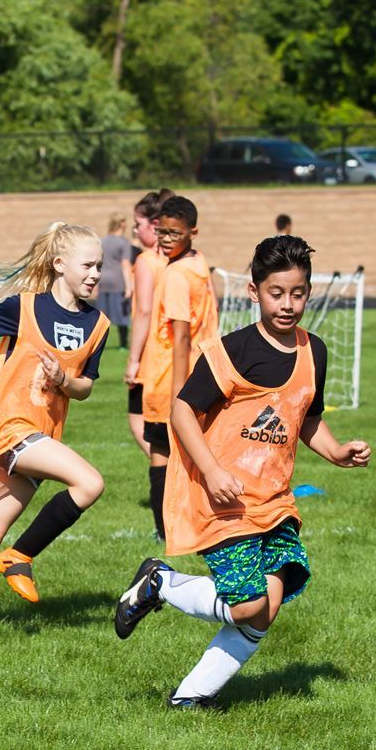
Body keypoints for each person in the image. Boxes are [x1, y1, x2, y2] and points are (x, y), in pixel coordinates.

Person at [115, 235, 371, 708]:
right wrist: (211, 472)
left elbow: (305, 415)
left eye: (298, 293)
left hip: (273, 502)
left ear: (308, 292)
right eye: (276, 293)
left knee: (265, 609)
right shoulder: (230, 351)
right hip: (222, 498)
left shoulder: (313, 351)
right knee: (248, 604)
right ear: (254, 292)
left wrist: (335, 451)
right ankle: (160, 584)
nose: (288, 304)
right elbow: (182, 411)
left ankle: (189, 698)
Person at [0, 222, 110, 603]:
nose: (95, 274)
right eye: (88, 266)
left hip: (41, 434)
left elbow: (84, 388)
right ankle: (19, 557)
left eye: (99, 266)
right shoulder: (26, 306)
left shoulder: (98, 324)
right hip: (8, 425)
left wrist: (64, 378)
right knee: (90, 483)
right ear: (60, 264)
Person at [136, 195, 217, 542]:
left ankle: (165, 530)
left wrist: (177, 396)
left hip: (170, 378)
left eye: (175, 234)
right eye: (162, 232)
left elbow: (181, 337)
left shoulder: (176, 275)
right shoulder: (200, 263)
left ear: (193, 232)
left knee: (161, 454)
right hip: (203, 375)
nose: (166, 239)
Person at [122, 188, 173, 464]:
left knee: (139, 421)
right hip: (177, 355)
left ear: (154, 225)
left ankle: (174, 472)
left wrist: (133, 360)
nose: (135, 231)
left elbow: (143, 311)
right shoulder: (184, 258)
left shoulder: (146, 261)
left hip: (152, 357)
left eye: (138, 225)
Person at [98, 214, 134, 349]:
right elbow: (125, 265)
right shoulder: (123, 242)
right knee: (122, 315)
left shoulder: (102, 241)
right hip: (118, 282)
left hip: (103, 281)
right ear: (121, 224)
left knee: (102, 317)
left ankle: (99, 345)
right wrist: (129, 287)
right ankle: (123, 345)